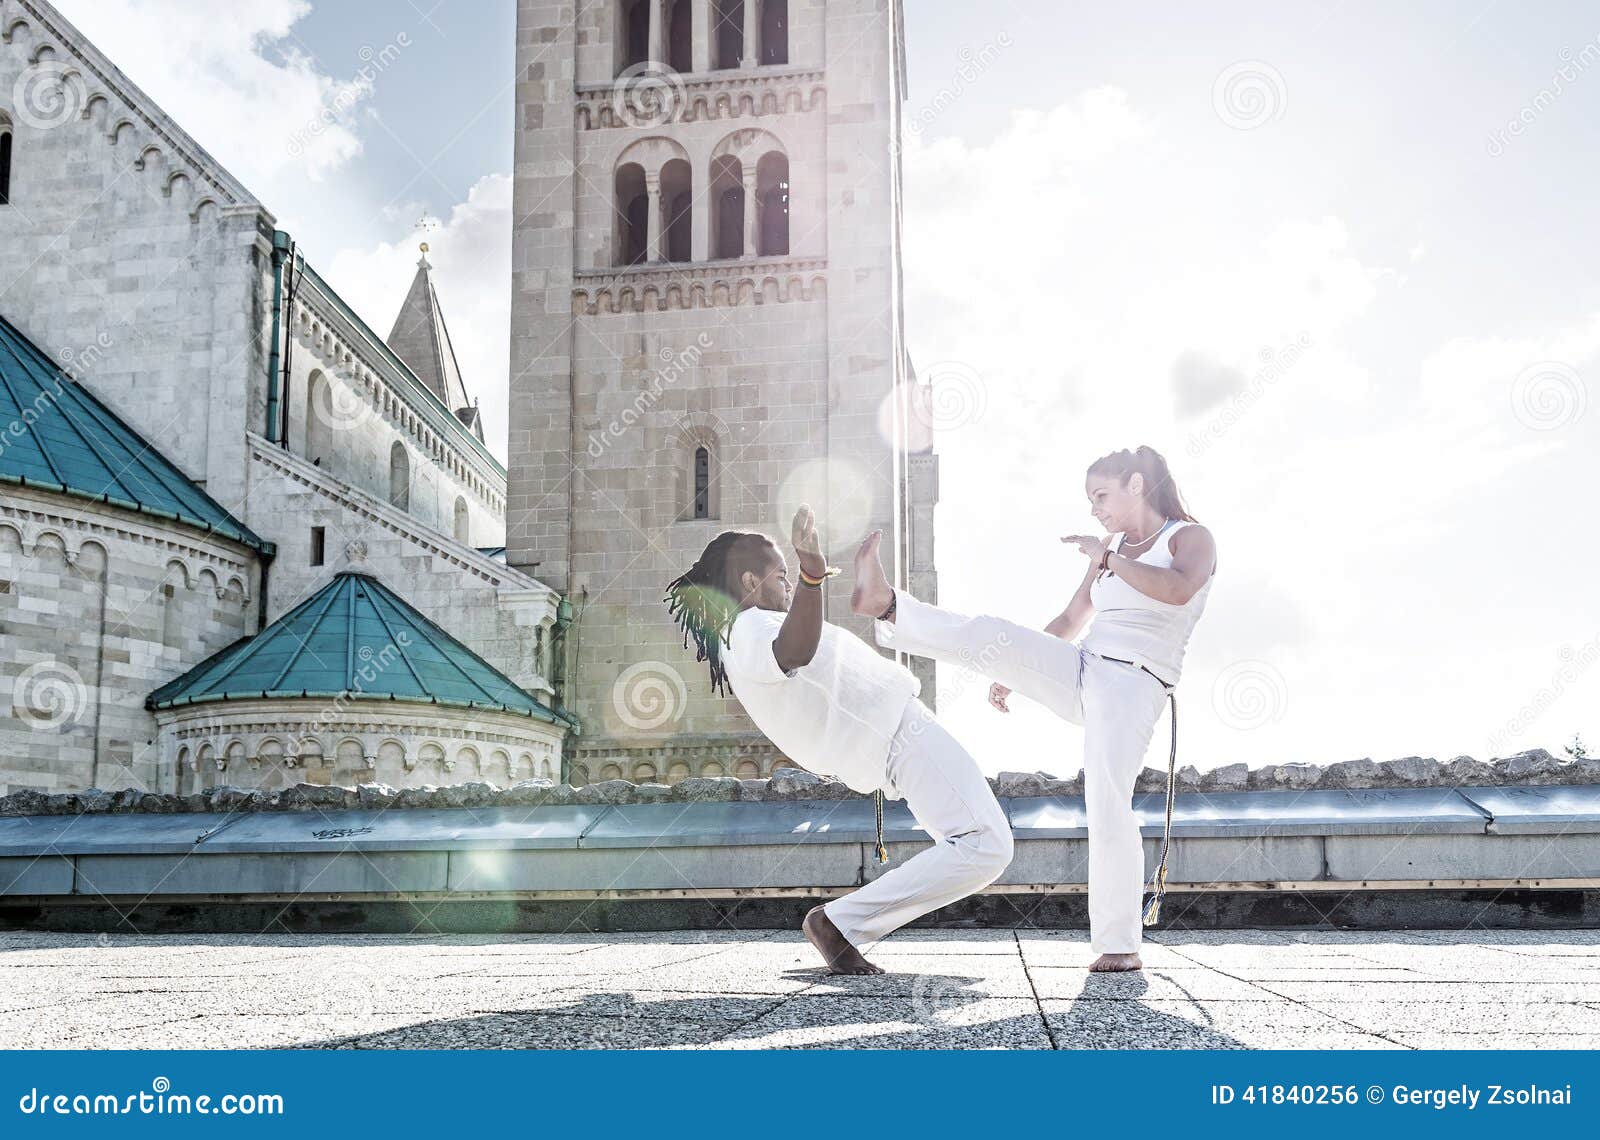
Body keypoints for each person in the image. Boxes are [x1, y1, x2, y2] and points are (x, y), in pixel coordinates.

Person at [851, 445, 1217, 972]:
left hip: (1134, 684)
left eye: (1101, 495)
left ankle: (1120, 944)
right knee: (992, 634)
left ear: (1137, 485)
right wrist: (1013, 671)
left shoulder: (1188, 538)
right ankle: (888, 606)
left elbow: (1178, 590)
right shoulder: (1111, 549)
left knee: (1107, 799)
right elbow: (1071, 618)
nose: (1094, 509)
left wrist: (1108, 559)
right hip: (1085, 665)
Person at [664, 504, 1013, 975]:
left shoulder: (747, 632)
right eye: (781, 576)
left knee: (976, 844)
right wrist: (811, 576)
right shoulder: (748, 630)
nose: (788, 585)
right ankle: (838, 923)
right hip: (901, 735)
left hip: (895, 737)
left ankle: (842, 922)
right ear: (749, 582)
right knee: (985, 844)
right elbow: (794, 652)